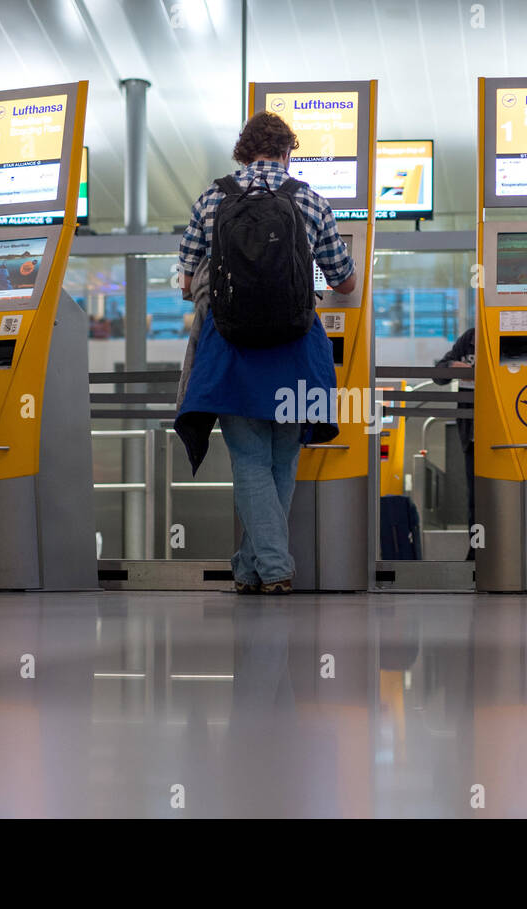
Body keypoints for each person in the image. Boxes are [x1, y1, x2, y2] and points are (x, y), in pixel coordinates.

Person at [174, 112, 355, 595]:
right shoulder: (311, 200)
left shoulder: (212, 198)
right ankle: (270, 566)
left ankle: (258, 566)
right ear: (286, 152)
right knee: (282, 459)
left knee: (250, 459)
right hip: (295, 347)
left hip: (230, 348)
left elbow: (186, 281)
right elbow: (343, 279)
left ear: (242, 152)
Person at [436, 327, 475, 559]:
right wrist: (452, 368)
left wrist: (477, 372)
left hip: (506, 433)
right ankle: (477, 552)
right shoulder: (470, 339)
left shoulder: (513, 336)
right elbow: (439, 373)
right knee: (476, 499)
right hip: (472, 432)